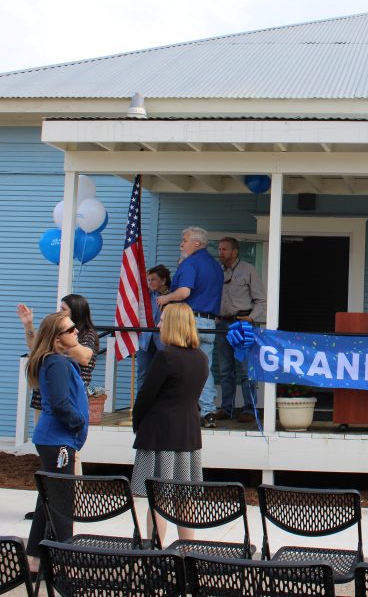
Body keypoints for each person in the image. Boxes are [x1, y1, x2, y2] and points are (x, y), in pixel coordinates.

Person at [130, 302, 208, 544]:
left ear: (173, 324)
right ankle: (187, 549)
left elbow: (145, 396)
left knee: (159, 497)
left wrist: (137, 423)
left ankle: (156, 550)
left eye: (162, 320)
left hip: (160, 435)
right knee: (185, 497)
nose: (158, 324)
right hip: (188, 434)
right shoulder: (201, 358)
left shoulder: (165, 357)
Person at [24, 312, 90, 574]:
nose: (76, 332)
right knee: (62, 500)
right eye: (70, 329)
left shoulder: (56, 361)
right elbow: (61, 404)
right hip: (58, 440)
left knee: (48, 497)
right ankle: (65, 559)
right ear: (57, 338)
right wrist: (79, 423)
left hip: (56, 439)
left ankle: (35, 558)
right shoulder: (56, 364)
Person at [155, 227, 223, 428]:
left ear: (197, 243)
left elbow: (184, 292)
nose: (181, 245)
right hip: (209, 322)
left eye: (184, 241)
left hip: (188, 320)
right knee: (205, 367)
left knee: (181, 365)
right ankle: (209, 411)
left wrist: (165, 298)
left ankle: (183, 408)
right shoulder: (216, 266)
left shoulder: (191, 263)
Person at [213, 237, 267, 422]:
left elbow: (261, 300)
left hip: (243, 323)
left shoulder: (248, 270)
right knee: (225, 369)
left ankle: (250, 409)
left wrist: (251, 317)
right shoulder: (217, 271)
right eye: (219, 249)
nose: (220, 252)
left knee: (245, 368)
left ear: (235, 251)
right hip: (222, 324)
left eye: (224, 249)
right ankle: (226, 408)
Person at [136, 264, 171, 392]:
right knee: (143, 374)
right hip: (145, 340)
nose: (150, 282)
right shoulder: (146, 295)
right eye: (149, 279)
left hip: (163, 341)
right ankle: (141, 406)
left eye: (153, 279)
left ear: (163, 280)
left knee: (162, 374)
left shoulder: (172, 296)